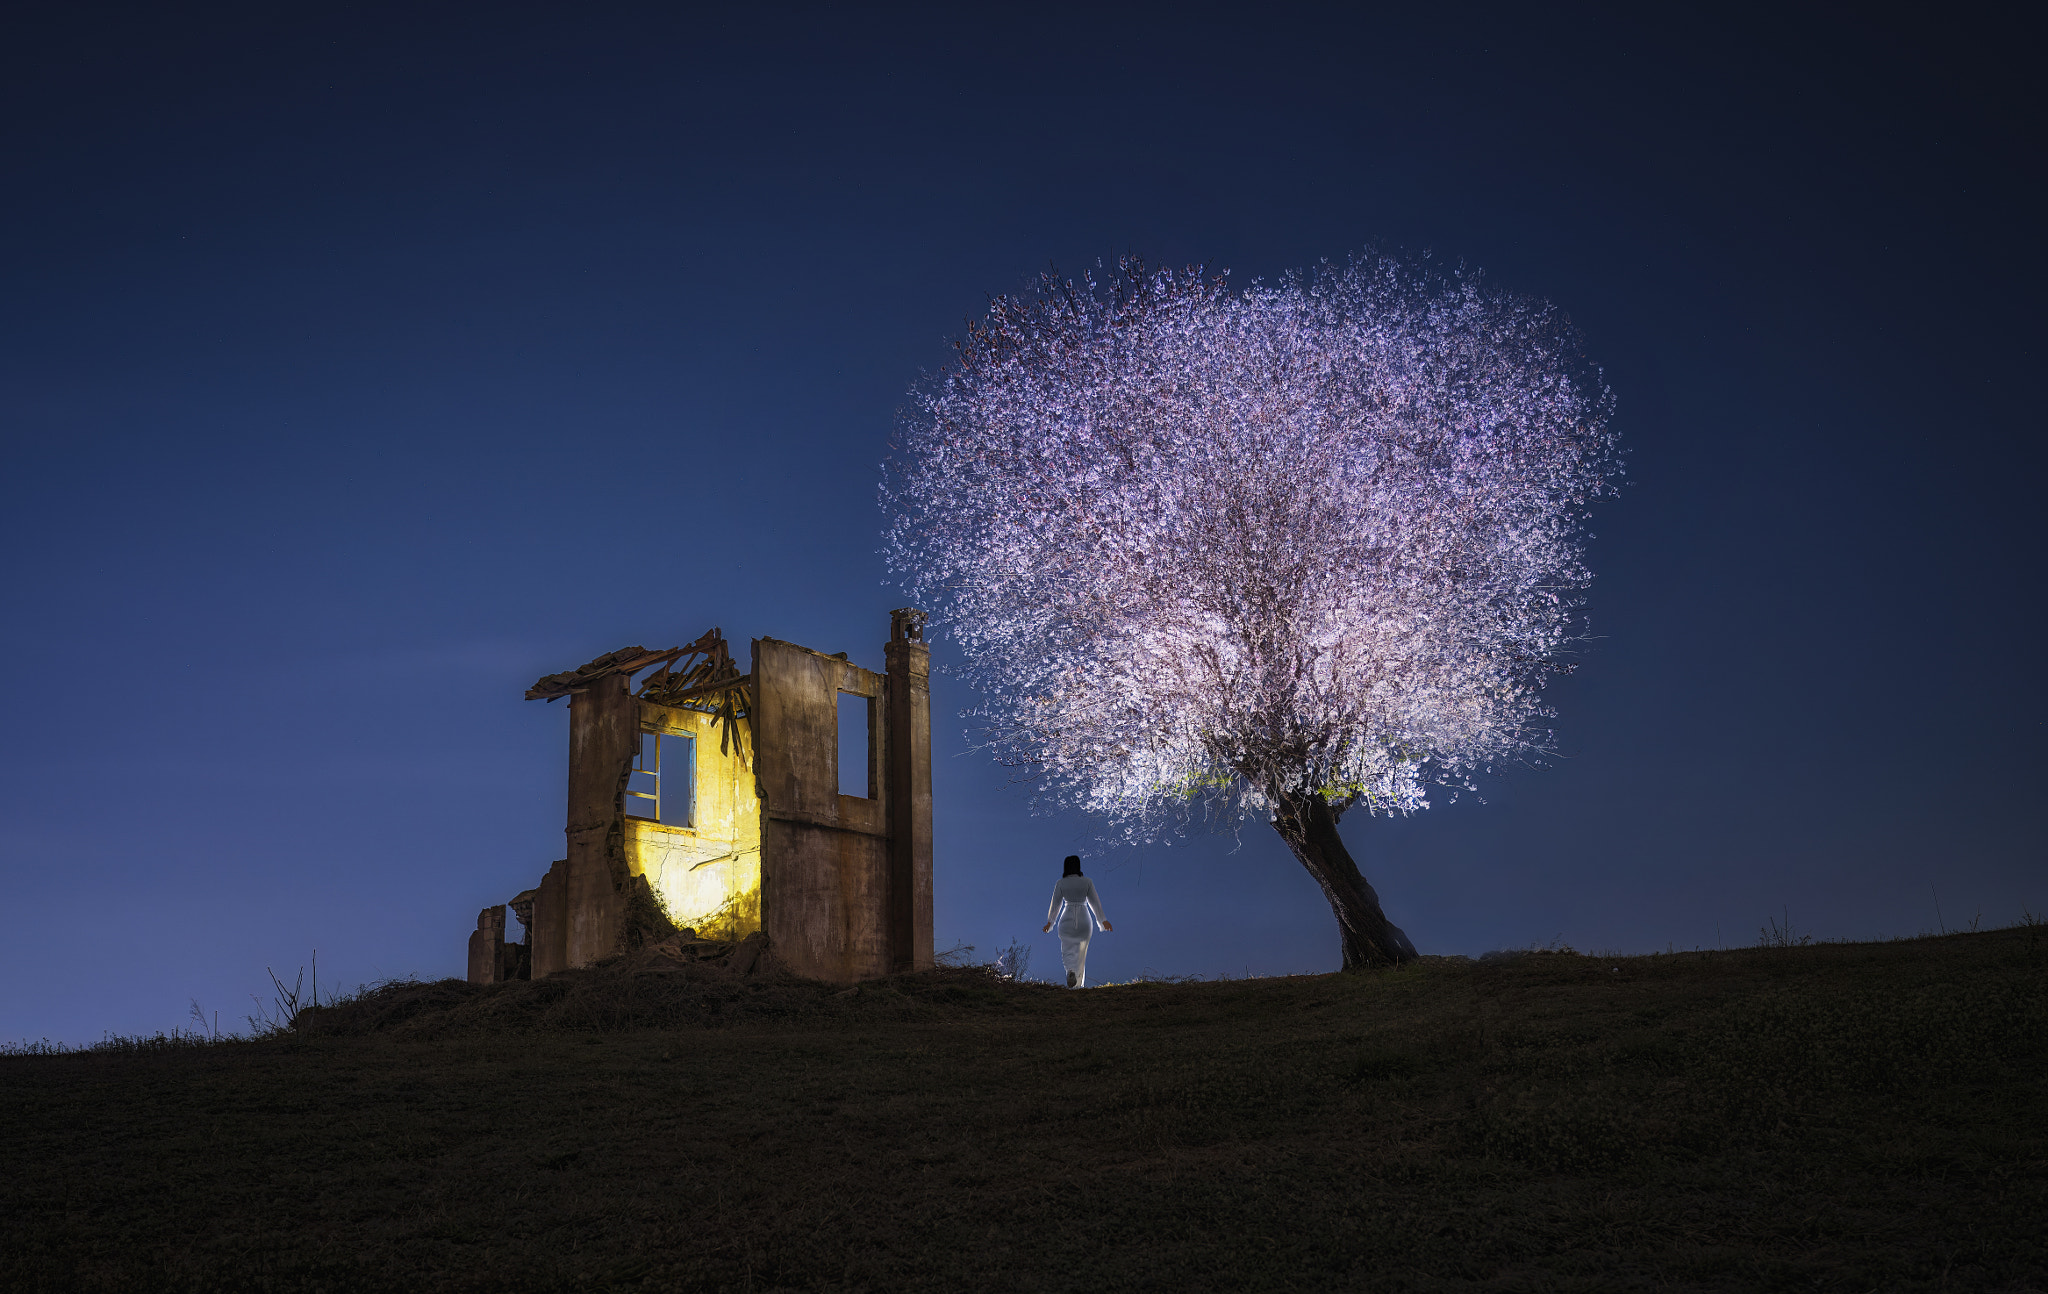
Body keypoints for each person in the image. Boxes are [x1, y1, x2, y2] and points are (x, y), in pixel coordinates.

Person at [1042, 855, 1111, 987]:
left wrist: (1050, 922)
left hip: (1066, 919)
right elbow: (1095, 903)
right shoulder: (1087, 882)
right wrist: (1103, 921)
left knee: (1067, 949)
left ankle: (1070, 971)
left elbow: (1055, 905)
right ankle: (1078, 986)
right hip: (1084, 920)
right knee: (1081, 954)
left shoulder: (1060, 883)